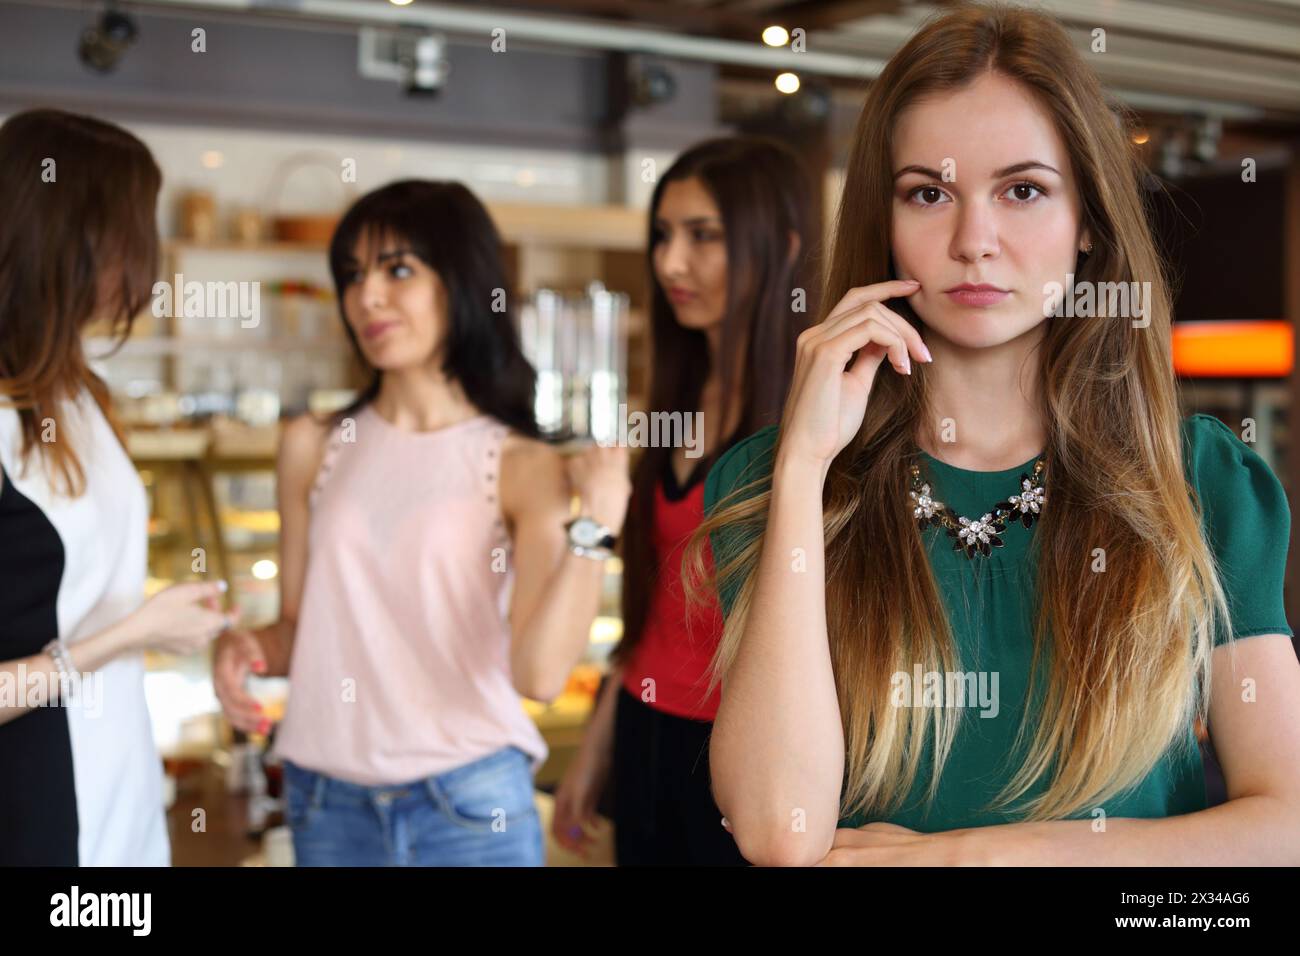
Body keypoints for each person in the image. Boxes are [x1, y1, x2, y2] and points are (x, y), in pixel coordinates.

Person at [695, 3, 1300, 866]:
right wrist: (802, 466)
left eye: (1023, 191)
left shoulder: (1199, 478)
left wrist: (977, 856)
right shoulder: (771, 482)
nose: (974, 242)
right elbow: (777, 831)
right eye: (929, 193)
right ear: (885, 219)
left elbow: (1284, 826)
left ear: (1088, 222)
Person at [214, 180, 629, 866]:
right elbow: (296, 631)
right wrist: (244, 650)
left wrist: (598, 526)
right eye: (352, 275)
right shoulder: (311, 443)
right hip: (326, 802)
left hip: (467, 804)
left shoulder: (523, 464)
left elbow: (541, 674)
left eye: (397, 269)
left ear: (459, 284)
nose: (366, 296)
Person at [552, 137, 817, 864]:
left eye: (705, 236)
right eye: (663, 236)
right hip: (645, 733)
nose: (672, 263)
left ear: (784, 247)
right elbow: (654, 614)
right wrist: (593, 752)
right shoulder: (671, 400)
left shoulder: (817, 410)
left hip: (748, 757)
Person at [0, 109, 236, 866]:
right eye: (134, 230)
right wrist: (137, 633)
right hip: (33, 814)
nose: (147, 260)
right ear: (69, 241)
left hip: (115, 790)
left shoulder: (79, 393)